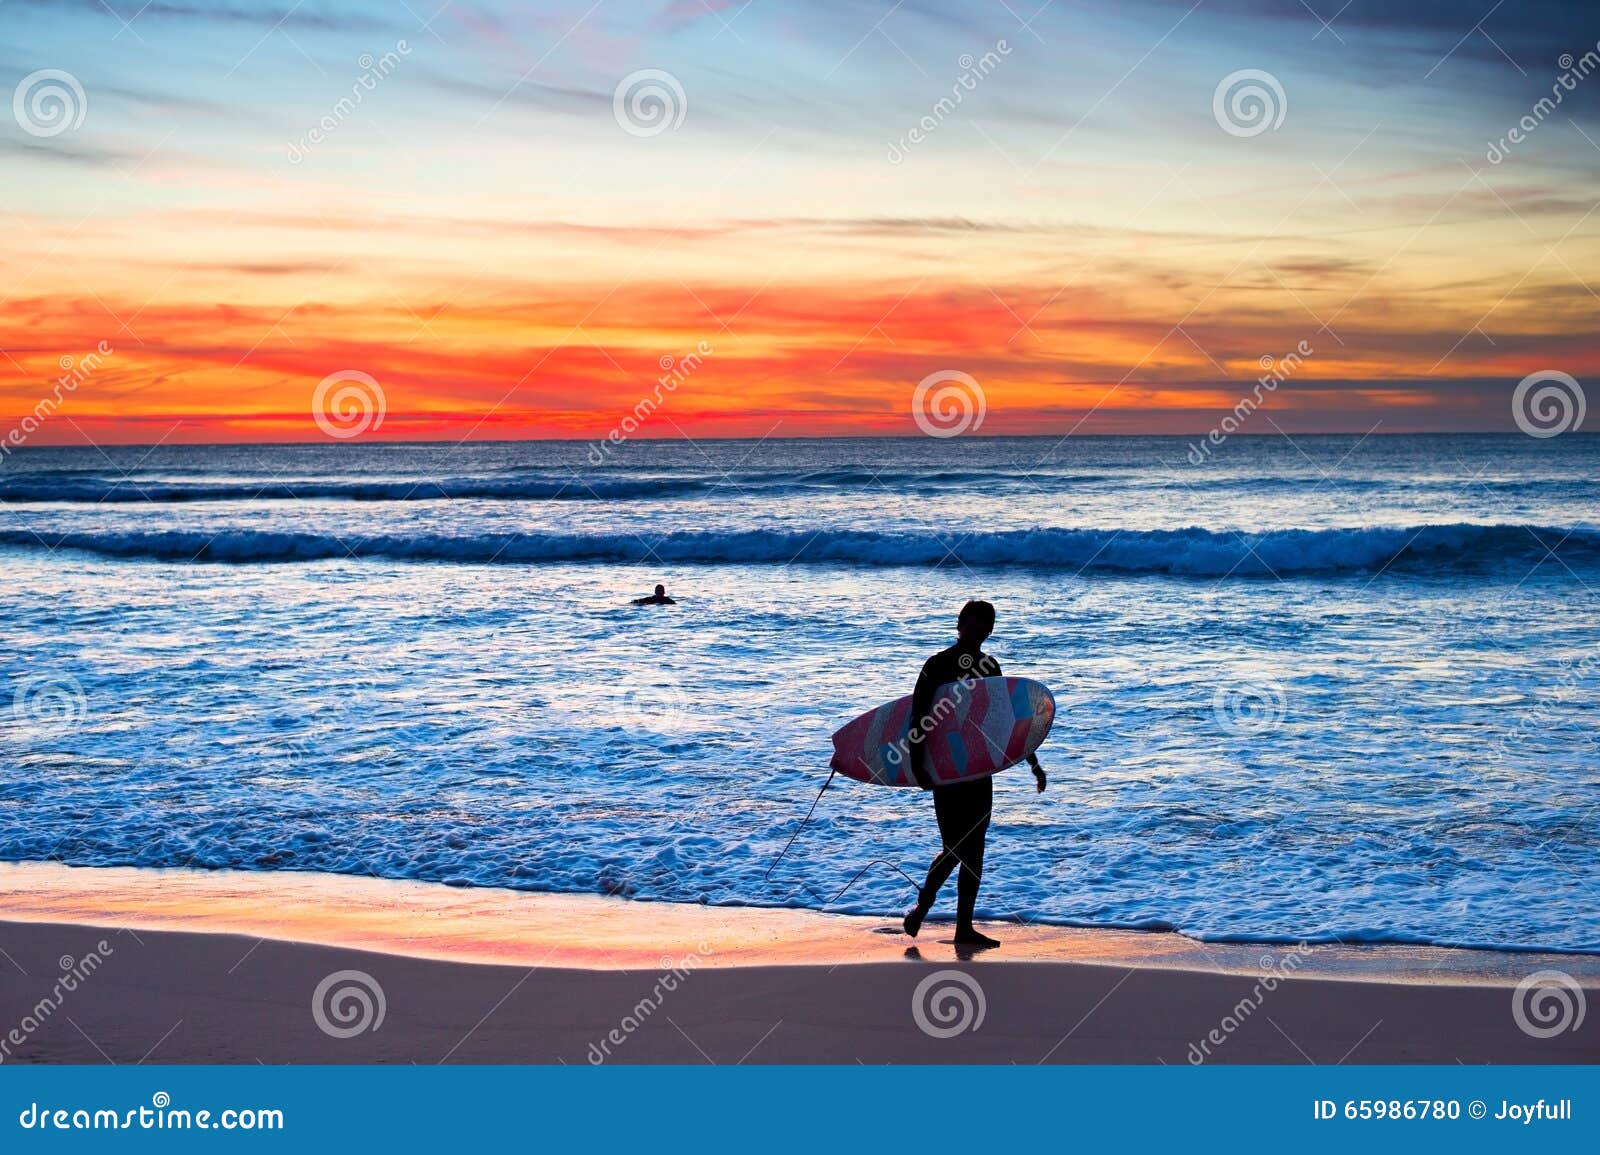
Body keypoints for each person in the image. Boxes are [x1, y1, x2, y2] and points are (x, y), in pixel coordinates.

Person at [902, 599, 1045, 949]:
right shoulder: (935, 666)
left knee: (974, 851)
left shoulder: (989, 666)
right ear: (960, 624)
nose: (979, 630)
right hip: (948, 770)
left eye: (986, 625)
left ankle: (963, 928)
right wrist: (919, 764)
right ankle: (923, 906)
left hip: (979, 771)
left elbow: (1005, 722)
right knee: (954, 847)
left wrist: (1033, 762)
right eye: (974, 623)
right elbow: (918, 717)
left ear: (990, 630)